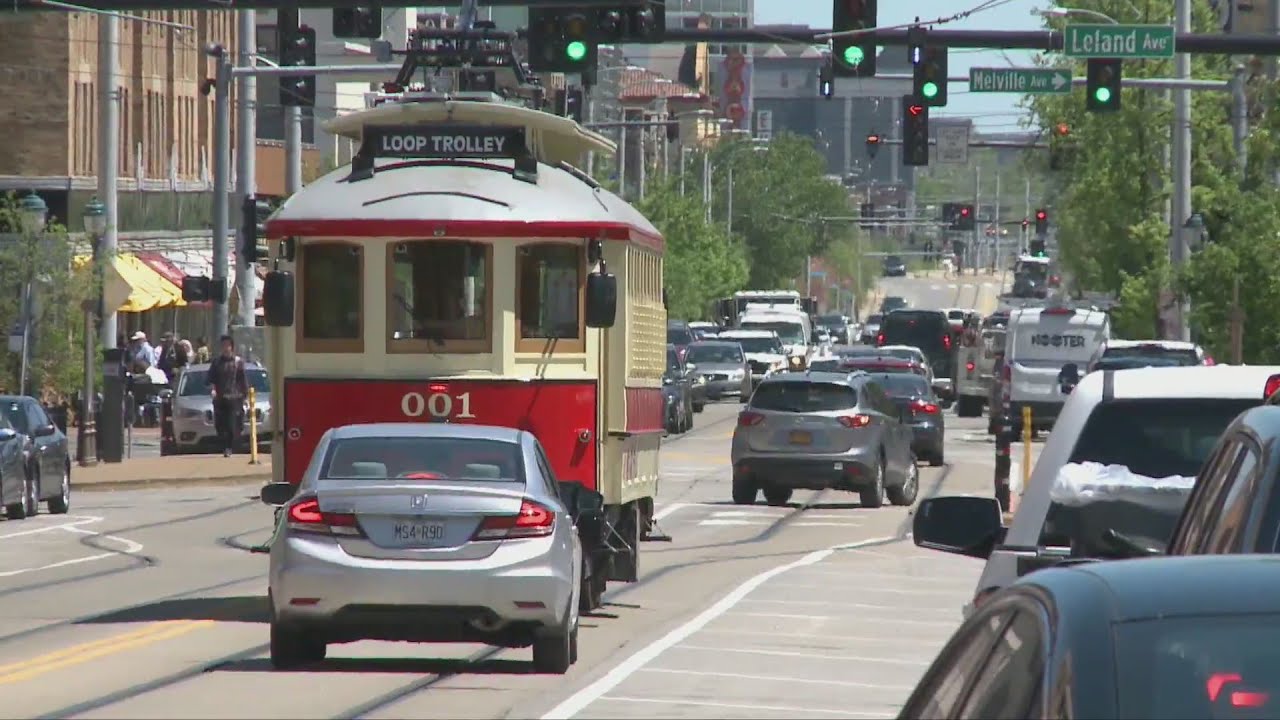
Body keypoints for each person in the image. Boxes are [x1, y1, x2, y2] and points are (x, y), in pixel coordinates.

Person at [205, 335, 248, 457]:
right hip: (220, 398)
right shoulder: (216, 363)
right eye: (223, 345)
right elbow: (210, 379)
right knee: (220, 425)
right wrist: (213, 389)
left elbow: (243, 380)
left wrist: (245, 396)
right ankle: (224, 444)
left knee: (231, 424)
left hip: (234, 398)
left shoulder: (238, 362)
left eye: (228, 345)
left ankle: (228, 447)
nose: (225, 348)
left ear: (232, 347)